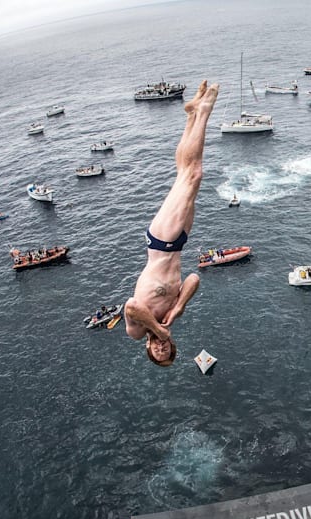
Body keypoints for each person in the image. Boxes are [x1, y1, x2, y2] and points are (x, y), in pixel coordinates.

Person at [125, 80, 219, 366]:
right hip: (177, 243)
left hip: (160, 242)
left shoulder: (138, 332)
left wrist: (157, 328)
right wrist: (178, 308)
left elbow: (132, 306)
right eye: (167, 352)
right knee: (184, 175)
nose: (162, 349)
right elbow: (193, 279)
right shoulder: (170, 316)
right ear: (173, 346)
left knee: (193, 175)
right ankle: (192, 114)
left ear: (149, 348)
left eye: (158, 353)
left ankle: (203, 111)